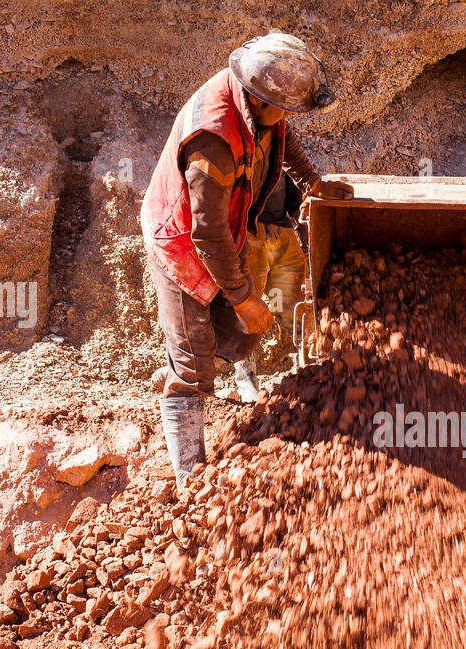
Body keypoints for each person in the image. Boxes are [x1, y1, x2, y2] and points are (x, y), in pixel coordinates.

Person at [141, 33, 350, 484]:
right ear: (261, 98)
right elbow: (206, 235)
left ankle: (186, 357)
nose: (290, 118)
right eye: (288, 110)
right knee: (198, 361)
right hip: (183, 242)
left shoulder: (256, 103)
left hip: (224, 225)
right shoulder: (212, 139)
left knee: (238, 335)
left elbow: (281, 140)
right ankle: (190, 475)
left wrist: (312, 184)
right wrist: (243, 298)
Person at [241, 172, 309, 389]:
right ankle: (246, 380)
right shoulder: (240, 145)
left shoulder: (280, 148)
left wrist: (308, 242)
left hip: (283, 233)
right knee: (246, 306)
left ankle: (306, 370)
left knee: (298, 306)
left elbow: (297, 204)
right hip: (248, 231)